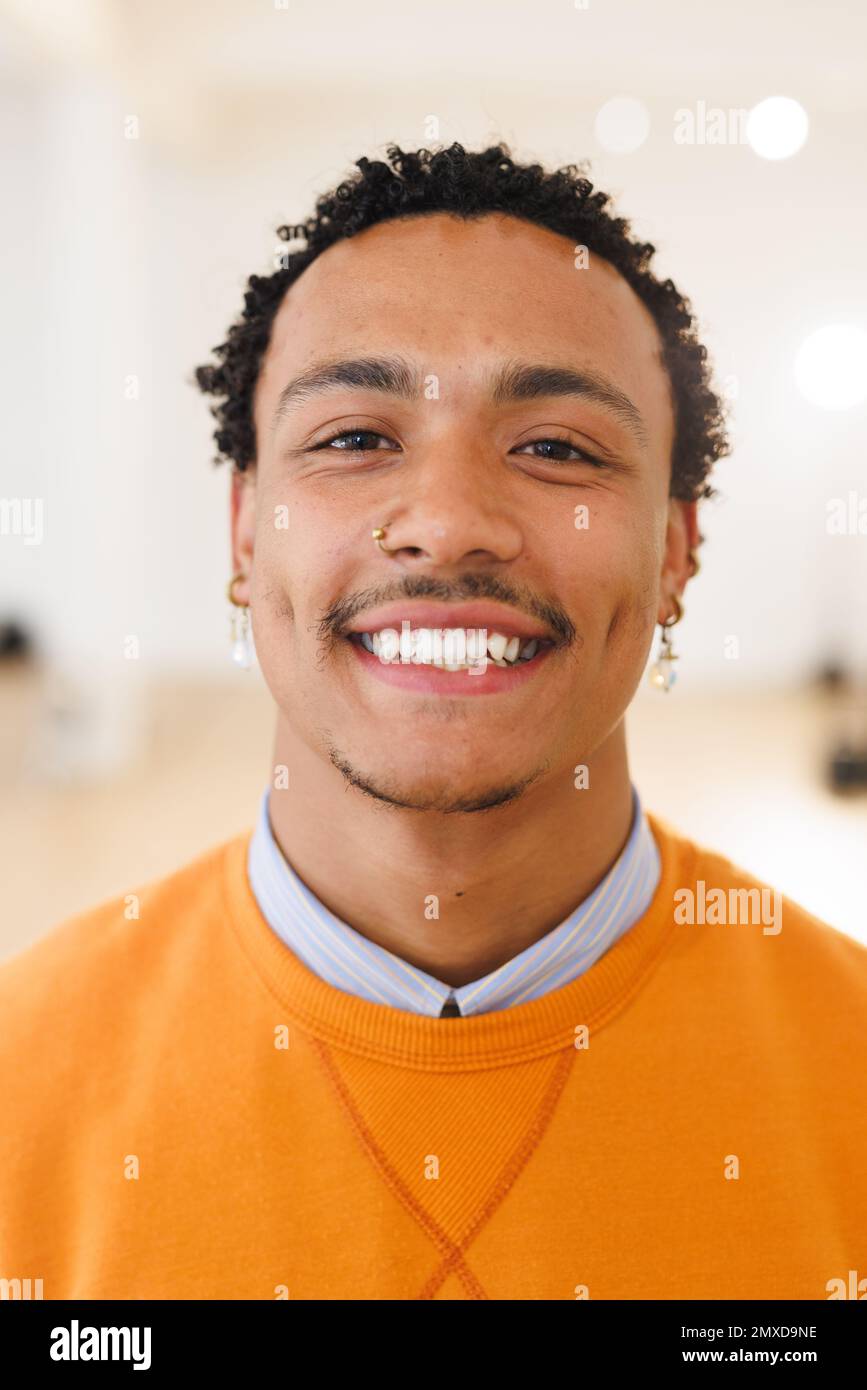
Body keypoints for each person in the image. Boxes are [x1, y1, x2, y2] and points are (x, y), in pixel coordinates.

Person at [2, 143, 865, 1302]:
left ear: (678, 549)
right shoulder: (23, 1076)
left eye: (557, 448)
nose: (450, 522)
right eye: (355, 438)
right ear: (246, 529)